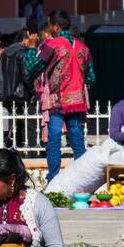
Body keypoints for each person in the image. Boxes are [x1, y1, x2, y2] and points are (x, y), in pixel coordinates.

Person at [23, 10, 94, 182]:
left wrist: (32, 48)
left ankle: (54, 178)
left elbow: (32, 67)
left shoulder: (52, 45)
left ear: (55, 26)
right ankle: (82, 179)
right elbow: (91, 77)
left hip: (57, 100)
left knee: (54, 140)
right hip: (77, 100)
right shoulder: (83, 48)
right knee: (77, 139)